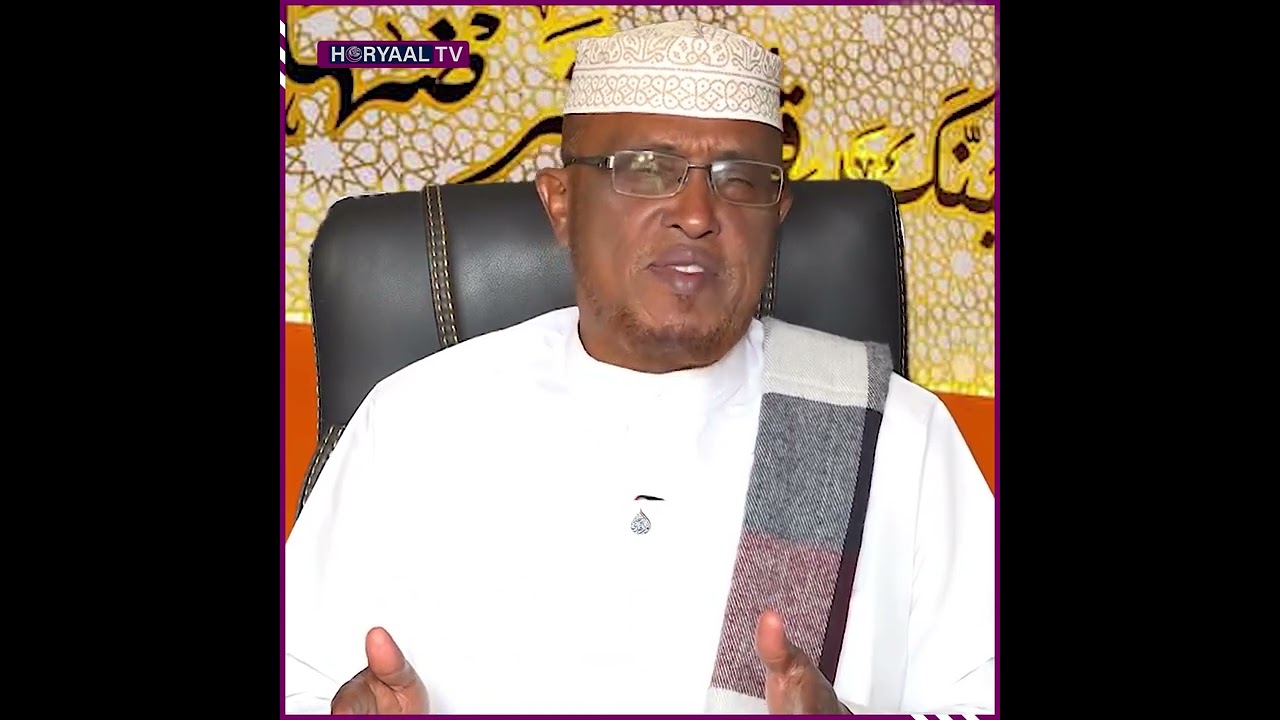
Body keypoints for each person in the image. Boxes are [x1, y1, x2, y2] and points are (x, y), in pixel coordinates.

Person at [285, 19, 994, 716]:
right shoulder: (418, 418)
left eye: (740, 179)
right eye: (646, 170)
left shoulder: (896, 435)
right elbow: (301, 684)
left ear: (777, 211)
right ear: (561, 203)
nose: (697, 213)